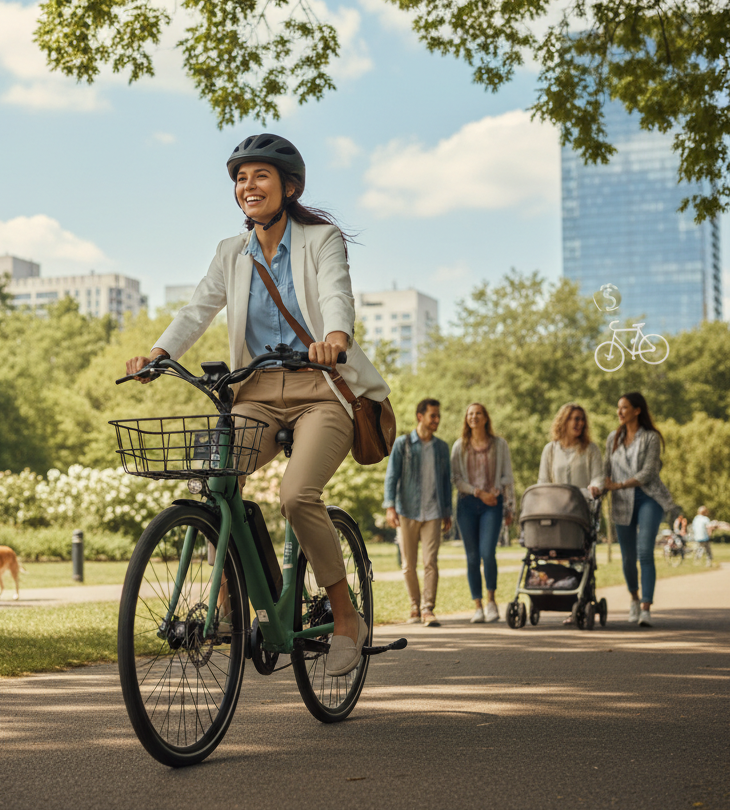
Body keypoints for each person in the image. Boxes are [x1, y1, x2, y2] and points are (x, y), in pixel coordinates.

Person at [125, 133, 391, 676]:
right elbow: (198, 308)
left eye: (260, 176)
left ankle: (345, 618)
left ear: (289, 186)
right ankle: (233, 602)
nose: (248, 186)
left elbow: (338, 293)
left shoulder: (321, 239)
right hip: (258, 393)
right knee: (215, 476)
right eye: (241, 179)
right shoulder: (231, 252)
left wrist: (335, 337)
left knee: (297, 494)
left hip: (324, 390)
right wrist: (157, 353)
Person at [603, 392, 675, 628]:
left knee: (644, 551)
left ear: (637, 410)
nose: (620, 412)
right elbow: (605, 469)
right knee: (627, 558)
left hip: (649, 498)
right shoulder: (613, 438)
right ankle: (633, 598)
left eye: (624, 408)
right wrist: (601, 486)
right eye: (618, 408)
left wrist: (620, 484)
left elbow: (649, 472)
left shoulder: (651, 438)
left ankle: (645, 608)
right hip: (622, 501)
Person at [384, 399, 452, 627]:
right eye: (433, 416)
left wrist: (447, 512)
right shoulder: (403, 444)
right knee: (408, 564)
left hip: (433, 512)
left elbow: (445, 482)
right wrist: (390, 506)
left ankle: (427, 609)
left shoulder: (442, 447)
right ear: (420, 416)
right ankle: (414, 605)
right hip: (407, 511)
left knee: (430, 562)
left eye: (438, 416)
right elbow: (392, 476)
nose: (437, 420)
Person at [451, 403, 515, 624]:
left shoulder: (499, 445)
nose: (474, 417)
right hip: (467, 504)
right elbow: (457, 479)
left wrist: (509, 507)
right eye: (470, 414)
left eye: (478, 413)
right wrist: (478, 492)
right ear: (466, 419)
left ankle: (491, 602)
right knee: (471, 557)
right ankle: (477, 605)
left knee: (487, 553)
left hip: (493, 505)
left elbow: (507, 477)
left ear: (486, 418)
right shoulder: (459, 446)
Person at [538, 403, 605, 500]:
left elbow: (598, 477)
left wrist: (595, 487)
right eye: (576, 419)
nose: (581, 423)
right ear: (564, 421)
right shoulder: (550, 450)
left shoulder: (591, 449)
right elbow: (543, 481)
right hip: (557, 508)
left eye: (583, 420)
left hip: (582, 507)